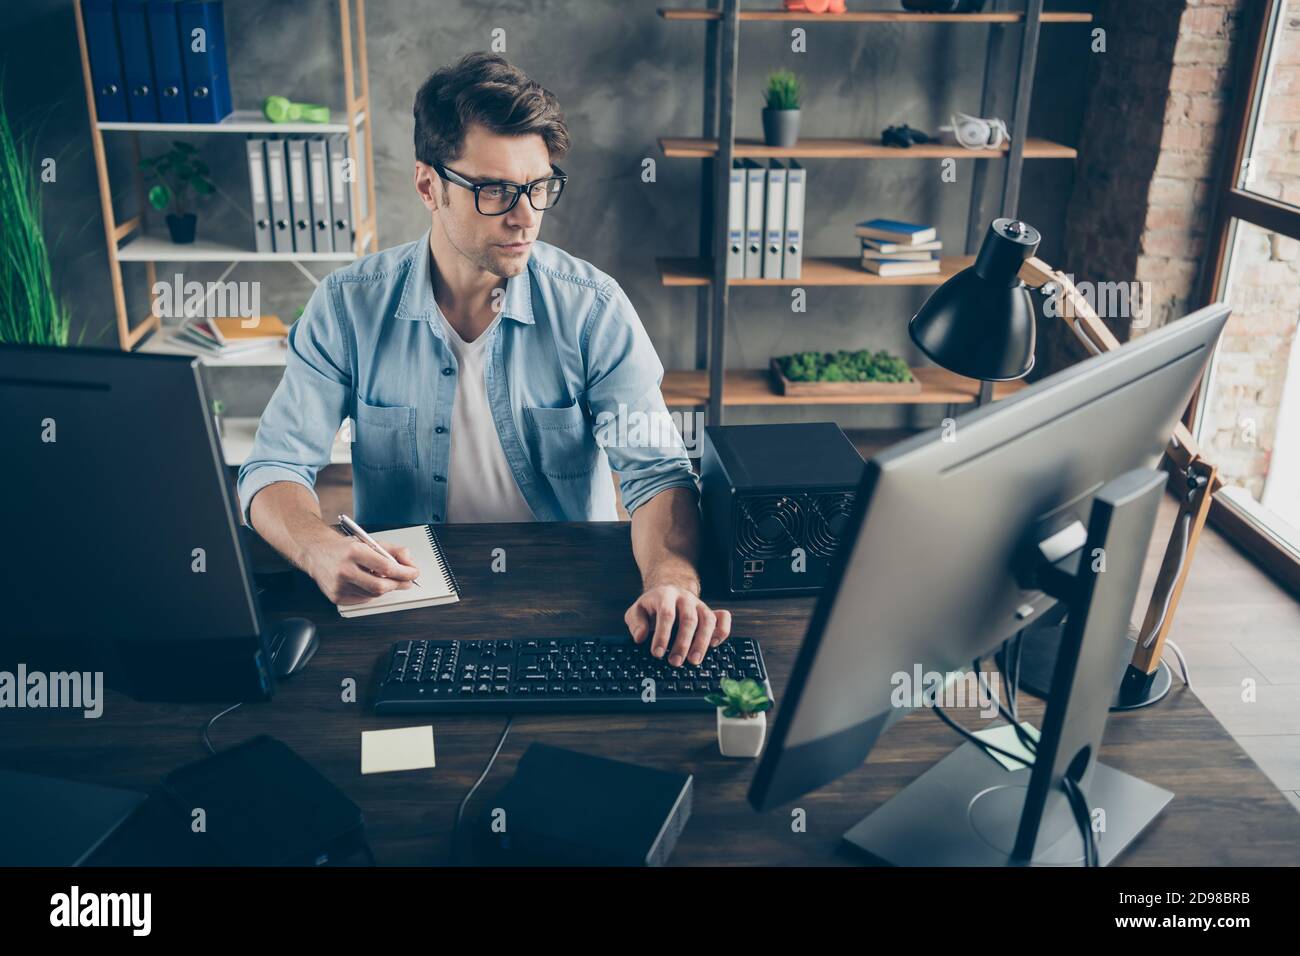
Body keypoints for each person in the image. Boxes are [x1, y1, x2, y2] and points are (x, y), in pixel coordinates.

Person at [238, 52, 731, 668]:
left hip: (569, 598)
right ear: (428, 186)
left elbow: (658, 474)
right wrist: (317, 548)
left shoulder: (594, 309)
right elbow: (271, 469)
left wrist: (671, 581)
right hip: (402, 603)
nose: (526, 215)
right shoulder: (346, 306)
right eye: (495, 190)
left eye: (539, 186)